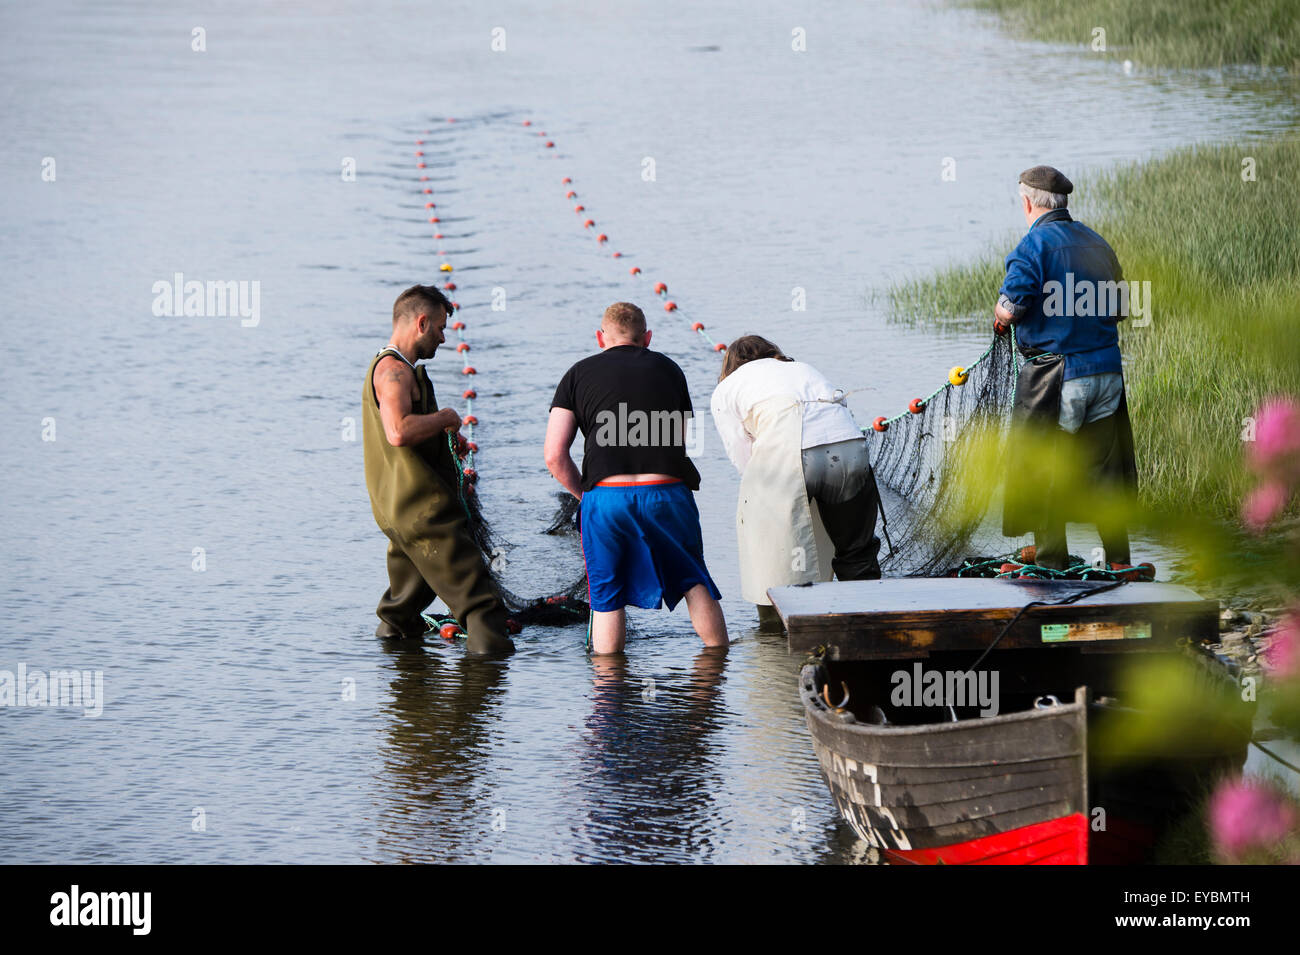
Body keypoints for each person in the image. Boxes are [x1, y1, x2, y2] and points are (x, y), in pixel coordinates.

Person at [544, 302, 728, 655]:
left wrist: (587, 495)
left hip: (607, 496)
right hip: (667, 493)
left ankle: (610, 696)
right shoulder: (670, 369)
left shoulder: (577, 374)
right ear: (647, 337)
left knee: (606, 596)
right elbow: (682, 438)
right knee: (694, 581)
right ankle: (716, 676)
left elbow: (554, 454)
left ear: (601, 337)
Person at [993, 165, 1141, 575]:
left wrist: (1001, 316)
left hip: (1059, 379)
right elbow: (1121, 309)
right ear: (1063, 201)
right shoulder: (1098, 242)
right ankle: (1119, 560)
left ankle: (1050, 563)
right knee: (1106, 474)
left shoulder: (1033, 246)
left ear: (1026, 202)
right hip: (1108, 375)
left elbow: (1011, 307)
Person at [362, 284, 514, 655]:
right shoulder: (395, 372)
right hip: (425, 512)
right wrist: (446, 416)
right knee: (481, 605)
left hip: (396, 510)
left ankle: (402, 683)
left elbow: (408, 430)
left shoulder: (391, 367)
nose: (445, 338)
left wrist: (440, 431)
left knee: (402, 609)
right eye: (442, 328)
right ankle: (487, 695)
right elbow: (398, 432)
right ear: (422, 322)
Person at [710, 336, 882, 626]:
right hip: (850, 449)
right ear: (773, 352)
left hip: (792, 456)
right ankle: (870, 625)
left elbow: (743, 458)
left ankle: (779, 634)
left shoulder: (726, 388)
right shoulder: (803, 368)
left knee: (775, 557)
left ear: (730, 365)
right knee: (856, 550)